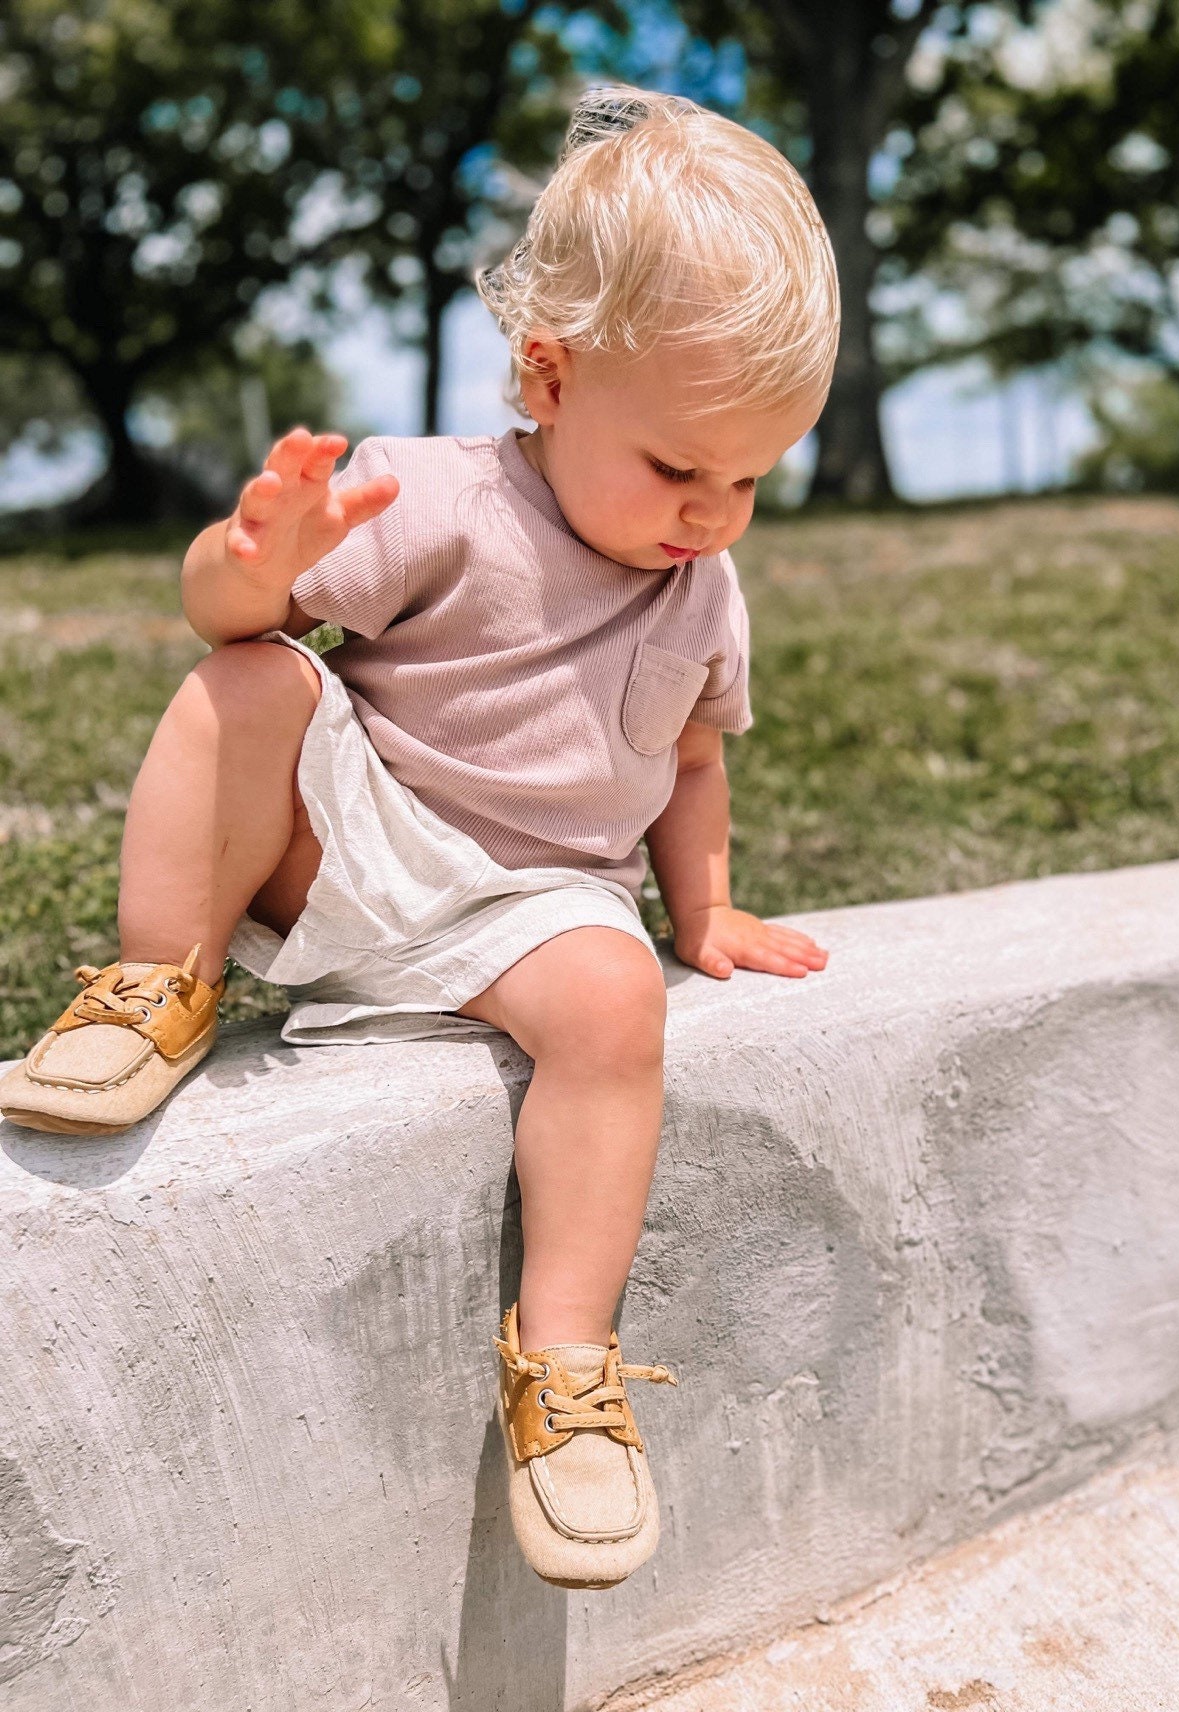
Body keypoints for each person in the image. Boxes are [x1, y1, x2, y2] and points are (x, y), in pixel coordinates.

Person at [0, 85, 839, 1589]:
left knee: (615, 999)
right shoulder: (438, 495)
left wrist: (701, 913)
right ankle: (155, 986)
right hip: (358, 842)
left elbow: (695, 761)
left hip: (532, 908)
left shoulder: (700, 588)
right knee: (249, 680)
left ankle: (567, 1363)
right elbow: (227, 615)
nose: (711, 515)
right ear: (551, 375)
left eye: (751, 481)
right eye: (678, 469)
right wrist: (256, 561)